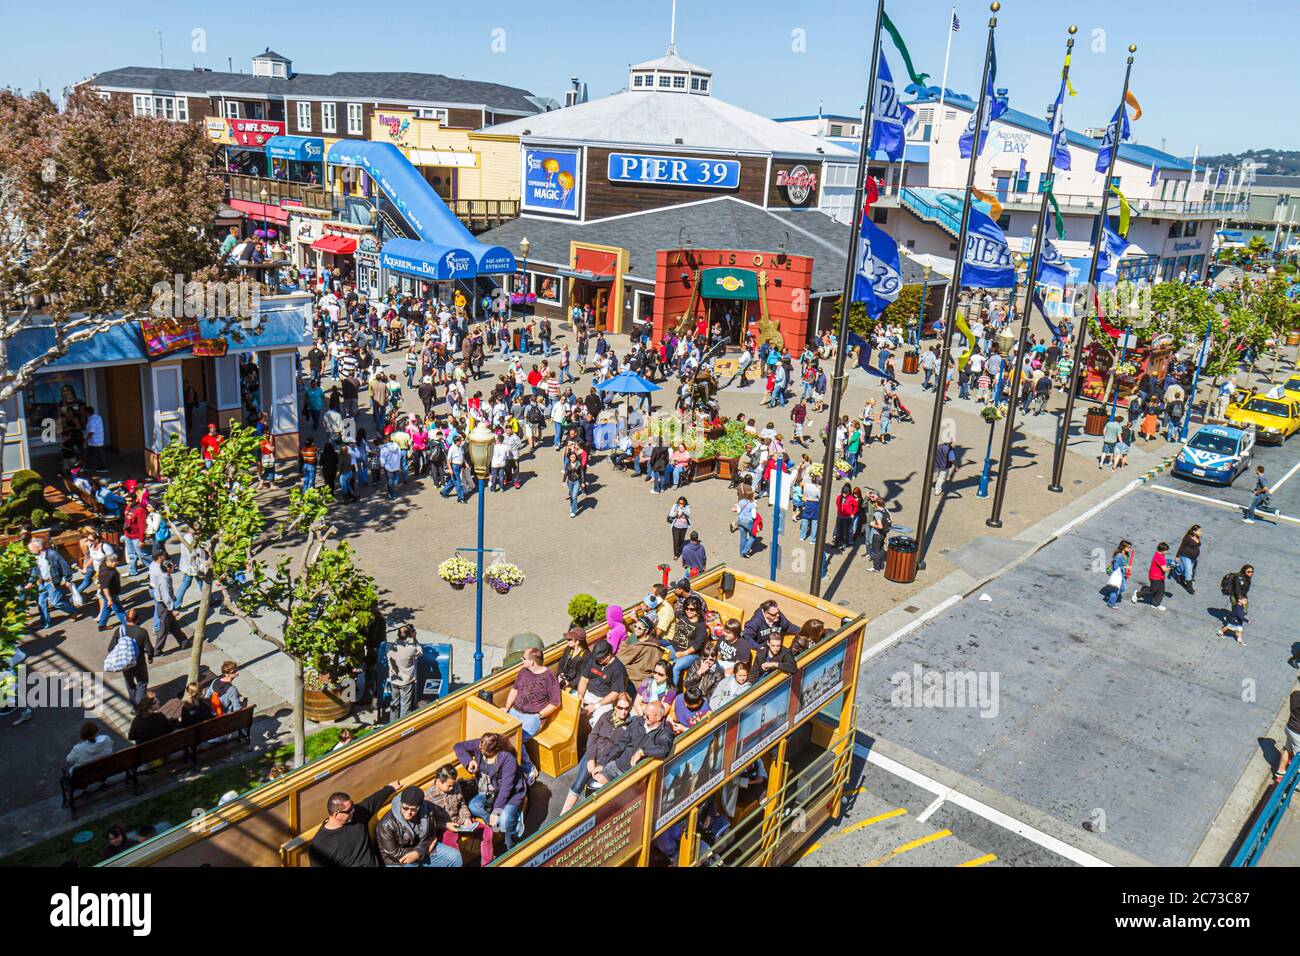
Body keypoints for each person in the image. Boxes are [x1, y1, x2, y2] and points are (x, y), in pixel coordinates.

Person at [562, 693, 634, 813]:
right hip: (593, 754)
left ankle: (587, 816)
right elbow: (593, 736)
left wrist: (602, 765)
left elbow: (618, 749)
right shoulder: (605, 717)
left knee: (593, 791)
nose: (623, 712)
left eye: (626, 708)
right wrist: (591, 758)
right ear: (615, 707)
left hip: (607, 762)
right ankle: (563, 816)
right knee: (578, 784)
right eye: (620, 708)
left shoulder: (630, 726)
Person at [454, 732, 527, 849]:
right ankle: (497, 827)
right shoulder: (480, 745)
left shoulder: (508, 759)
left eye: (486, 754)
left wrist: (496, 811)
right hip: (490, 791)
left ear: (496, 750)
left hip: (511, 794)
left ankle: (511, 841)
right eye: (481, 752)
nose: (482, 755)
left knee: (505, 820)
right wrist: (469, 761)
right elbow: (458, 746)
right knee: (473, 806)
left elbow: (506, 789)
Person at [308, 781, 402, 867]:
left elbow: (371, 801)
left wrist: (389, 788)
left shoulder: (356, 815)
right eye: (349, 810)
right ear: (336, 814)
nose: (353, 810)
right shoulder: (320, 845)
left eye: (352, 805)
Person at [504, 647, 560, 785]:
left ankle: (529, 769)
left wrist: (538, 716)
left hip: (532, 717)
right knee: (501, 734)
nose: (521, 661)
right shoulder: (523, 671)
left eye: (523, 659)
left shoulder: (549, 678)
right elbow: (514, 690)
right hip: (515, 711)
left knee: (515, 739)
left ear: (532, 662)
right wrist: (507, 708)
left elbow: (555, 703)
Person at [591, 699, 674, 787]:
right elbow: (620, 745)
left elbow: (664, 749)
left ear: (658, 717)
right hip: (619, 765)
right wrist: (603, 764)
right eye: (644, 714)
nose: (644, 717)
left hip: (635, 774)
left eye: (648, 716)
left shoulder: (664, 732)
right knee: (595, 783)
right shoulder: (637, 722)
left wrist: (642, 752)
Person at [376, 786, 464, 867]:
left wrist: (445, 825)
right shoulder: (387, 824)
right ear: (401, 803)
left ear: (420, 807)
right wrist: (420, 852)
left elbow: (432, 829)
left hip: (424, 848)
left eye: (413, 809)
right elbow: (394, 853)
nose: (408, 812)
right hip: (400, 861)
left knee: (455, 858)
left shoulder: (428, 809)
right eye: (405, 808)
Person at [427, 764, 493, 866]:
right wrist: (445, 825)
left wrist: (466, 818)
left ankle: (487, 864)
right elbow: (430, 823)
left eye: (453, 785)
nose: (452, 788)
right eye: (449, 786)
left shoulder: (456, 785)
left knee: (487, 832)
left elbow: (462, 805)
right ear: (439, 782)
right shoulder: (428, 798)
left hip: (460, 821)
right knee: (453, 852)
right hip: (445, 829)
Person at [26, 538, 77, 632]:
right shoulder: (35, 557)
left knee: (56, 603)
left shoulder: (52, 554)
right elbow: (35, 570)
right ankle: (45, 623)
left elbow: (64, 565)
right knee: (41, 602)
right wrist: (30, 581)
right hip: (42, 583)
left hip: (52, 582)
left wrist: (68, 579)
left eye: (32, 548)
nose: (31, 550)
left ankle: (72, 610)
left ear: (39, 547)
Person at [575, 639, 628, 724]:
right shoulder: (594, 660)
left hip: (605, 701)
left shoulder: (618, 669)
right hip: (588, 694)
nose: (597, 660)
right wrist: (580, 695)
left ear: (609, 655)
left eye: (600, 658)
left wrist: (596, 706)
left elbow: (615, 694)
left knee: (598, 721)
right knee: (570, 704)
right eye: (596, 657)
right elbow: (584, 679)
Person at [387, 624, 422, 721]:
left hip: (394, 680)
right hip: (406, 682)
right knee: (405, 706)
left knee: (394, 705)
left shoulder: (390, 648)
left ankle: (392, 725)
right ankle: (403, 725)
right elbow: (420, 652)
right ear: (408, 635)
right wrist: (414, 638)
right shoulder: (410, 649)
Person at [1216, 565, 1253, 645]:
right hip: (1237, 598)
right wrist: (1240, 600)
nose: (1251, 573)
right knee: (1239, 613)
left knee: (1242, 612)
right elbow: (1237, 590)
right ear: (1244, 571)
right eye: (1249, 572)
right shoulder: (1238, 579)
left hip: (1243, 598)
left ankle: (1232, 623)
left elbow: (1245, 590)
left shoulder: (1247, 579)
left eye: (1252, 572)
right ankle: (1234, 626)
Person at [1130, 542, 1170, 611]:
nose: (1167, 552)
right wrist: (1172, 567)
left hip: (1159, 576)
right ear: (1162, 550)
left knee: (1161, 590)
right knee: (1152, 590)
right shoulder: (1159, 557)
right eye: (1166, 550)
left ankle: (1156, 604)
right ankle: (1137, 594)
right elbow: (1164, 569)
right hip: (1155, 577)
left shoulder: (1159, 554)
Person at [1275, 681, 1300, 784]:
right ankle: (1294, 781)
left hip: (1290, 728)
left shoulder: (1295, 695)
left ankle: (1280, 773)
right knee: (1298, 760)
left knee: (1287, 749)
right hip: (1298, 734)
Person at [1169, 525, 1201, 593]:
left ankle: (1179, 577)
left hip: (1193, 558)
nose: (1201, 532)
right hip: (1185, 556)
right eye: (1199, 531)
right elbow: (1181, 546)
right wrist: (1177, 556)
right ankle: (1190, 588)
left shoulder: (1197, 537)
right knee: (1189, 572)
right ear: (1194, 531)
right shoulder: (1188, 538)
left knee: (1185, 570)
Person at [557, 627, 589, 692]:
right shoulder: (568, 649)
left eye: (569, 639)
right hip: (564, 679)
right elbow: (561, 663)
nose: (567, 641)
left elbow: (582, 676)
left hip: (575, 687)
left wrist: (569, 684)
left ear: (577, 642)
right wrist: (560, 674)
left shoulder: (587, 656)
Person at [1104, 540, 1133, 609]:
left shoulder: (1126, 555)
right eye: (1128, 547)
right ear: (1123, 547)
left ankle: (1110, 595)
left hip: (1122, 573)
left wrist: (1126, 571)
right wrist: (1125, 567)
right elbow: (1115, 567)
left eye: (1130, 547)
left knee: (1122, 588)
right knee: (1117, 588)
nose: (1130, 549)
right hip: (1118, 574)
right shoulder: (1119, 556)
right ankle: (1111, 603)